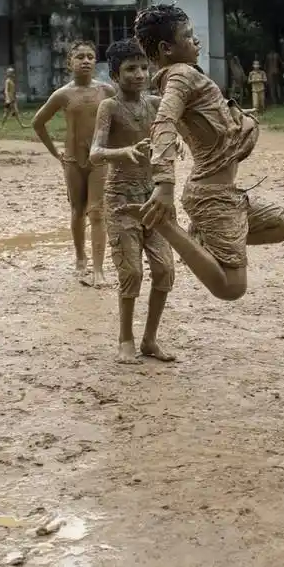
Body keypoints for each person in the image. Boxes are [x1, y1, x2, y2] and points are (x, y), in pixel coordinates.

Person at [122, 3, 284, 301]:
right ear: (166, 48)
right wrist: (164, 183)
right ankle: (167, 226)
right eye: (188, 36)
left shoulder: (184, 75)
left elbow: (212, 122)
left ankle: (201, 239)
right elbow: (164, 121)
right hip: (211, 196)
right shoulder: (180, 76)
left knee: (282, 224)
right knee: (231, 288)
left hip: (226, 192)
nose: (196, 41)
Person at [89, 38, 177, 364]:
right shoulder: (109, 108)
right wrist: (123, 151)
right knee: (132, 272)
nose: (139, 74)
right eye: (130, 69)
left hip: (154, 197)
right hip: (121, 198)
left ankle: (150, 340)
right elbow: (95, 152)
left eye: (143, 67)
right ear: (115, 75)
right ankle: (125, 339)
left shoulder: (155, 104)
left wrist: (174, 143)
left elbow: (172, 132)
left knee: (165, 270)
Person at [32, 40, 116, 287]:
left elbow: (124, 117)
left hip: (99, 159)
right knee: (78, 210)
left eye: (90, 56)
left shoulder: (107, 91)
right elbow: (38, 122)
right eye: (80, 57)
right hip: (72, 160)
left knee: (97, 212)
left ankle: (98, 269)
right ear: (69, 63)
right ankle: (80, 257)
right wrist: (55, 152)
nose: (86, 61)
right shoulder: (63, 94)